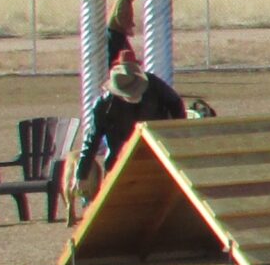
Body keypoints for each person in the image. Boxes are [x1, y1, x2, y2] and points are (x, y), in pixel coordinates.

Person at [74, 53, 186, 195]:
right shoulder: (103, 106)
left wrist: (176, 133)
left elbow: (176, 104)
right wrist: (81, 174)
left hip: (155, 155)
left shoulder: (154, 84)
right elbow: (92, 139)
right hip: (119, 161)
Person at [106, 0, 137, 66]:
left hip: (118, 31)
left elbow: (124, 16)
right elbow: (119, 16)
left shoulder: (125, 1)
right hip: (116, 31)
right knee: (117, 52)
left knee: (121, 51)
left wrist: (130, 23)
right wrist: (126, 28)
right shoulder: (123, 1)